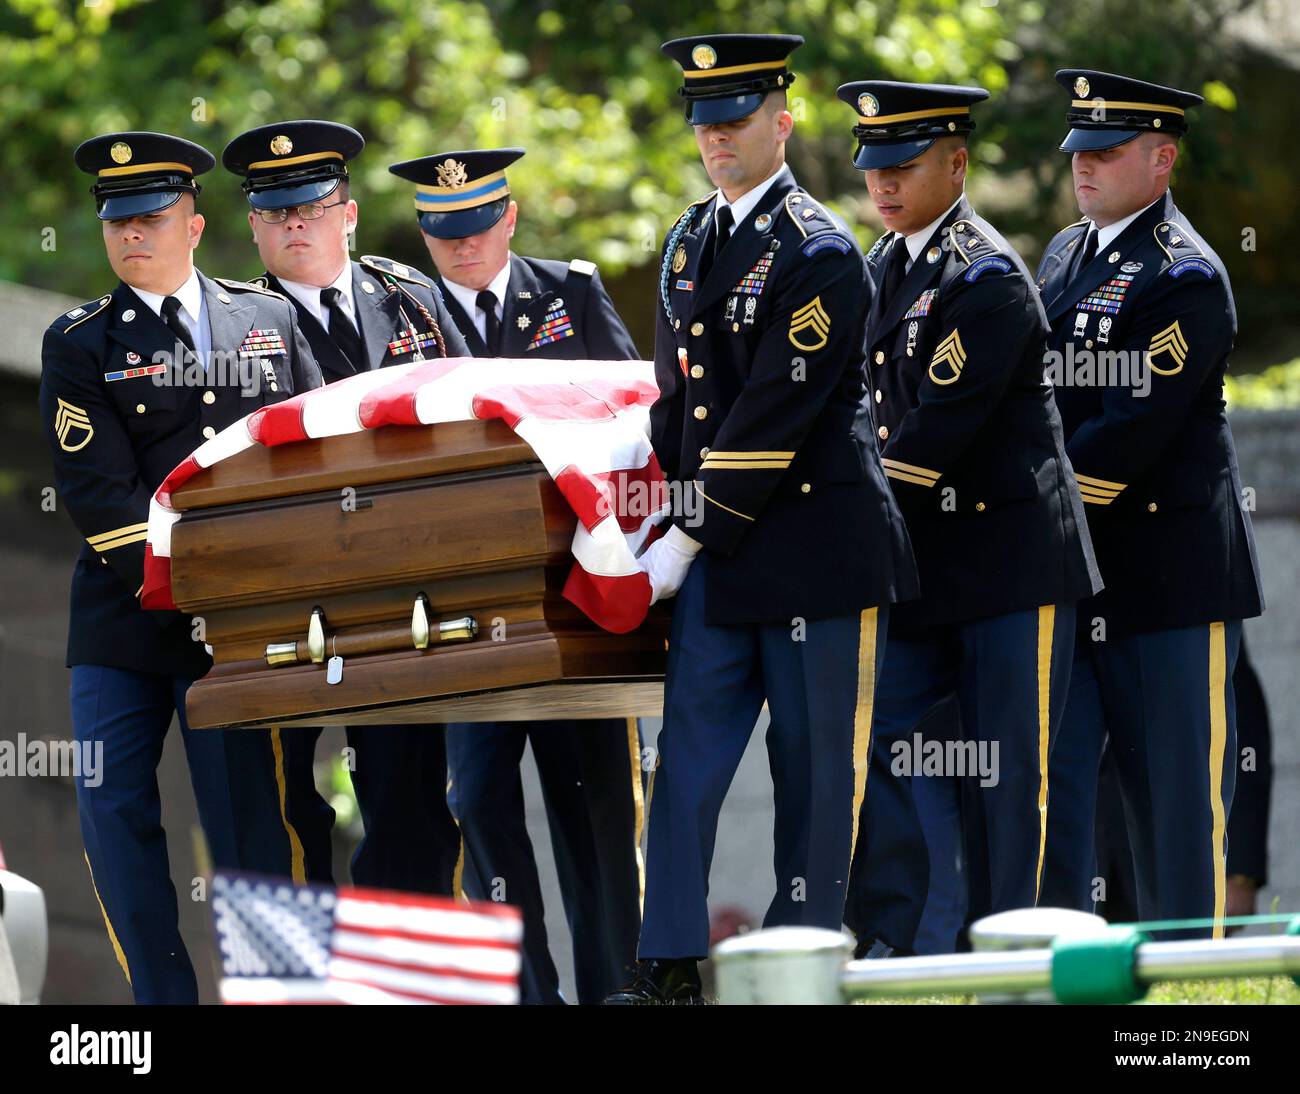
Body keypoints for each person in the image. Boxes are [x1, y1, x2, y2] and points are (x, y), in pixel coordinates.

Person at [605, 34, 919, 1004]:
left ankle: (802, 959)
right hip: (722, 551)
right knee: (687, 756)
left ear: (780, 123)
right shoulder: (689, 238)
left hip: (816, 554)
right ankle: (665, 964)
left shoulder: (818, 251)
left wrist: (686, 532)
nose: (714, 138)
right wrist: (663, 518)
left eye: (733, 119)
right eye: (702, 121)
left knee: (816, 776)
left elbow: (770, 415)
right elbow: (675, 401)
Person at [38, 131, 323, 1003]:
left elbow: (309, 451)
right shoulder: (81, 342)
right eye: (116, 222)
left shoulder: (268, 318)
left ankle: (279, 994)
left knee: (253, 829)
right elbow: (99, 494)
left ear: (194, 226)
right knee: (116, 821)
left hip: (240, 627)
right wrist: (187, 590)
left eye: (151, 218)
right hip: (126, 622)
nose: (131, 235)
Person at [833, 81, 1101, 958]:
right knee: (871, 733)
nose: (883, 183)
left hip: (1007, 566)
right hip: (921, 566)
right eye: (874, 166)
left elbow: (920, 447)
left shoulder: (985, 277)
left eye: (904, 166)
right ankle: (892, 939)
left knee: (1010, 777)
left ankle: (1019, 957)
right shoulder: (882, 265)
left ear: (956, 163)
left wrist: (835, 530)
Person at [388, 147, 645, 1004]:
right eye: (440, 231)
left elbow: (627, 416)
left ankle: (619, 988)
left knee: (600, 810)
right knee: (480, 805)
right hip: (466, 605)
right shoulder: (404, 315)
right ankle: (530, 996)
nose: (460, 246)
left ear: (509, 217)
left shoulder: (568, 291)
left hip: (576, 599)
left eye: (475, 226)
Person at [1036, 70, 1264, 937]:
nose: (1083, 167)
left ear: (1162, 159)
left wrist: (1032, 512)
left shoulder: (1186, 277)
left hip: (1166, 585)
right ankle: (1057, 972)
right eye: (1078, 151)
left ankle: (1192, 1001)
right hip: (1081, 576)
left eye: (1107, 150)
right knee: (1056, 796)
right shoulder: (1063, 253)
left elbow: (1128, 433)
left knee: (1175, 810)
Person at [222, 120, 471, 896]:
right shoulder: (230, 321)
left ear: (349, 214)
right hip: (288, 591)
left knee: (412, 807)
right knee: (287, 808)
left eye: (314, 206)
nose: (297, 224)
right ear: (254, 226)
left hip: (405, 586)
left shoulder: (410, 297)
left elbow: (467, 410)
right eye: (277, 212)